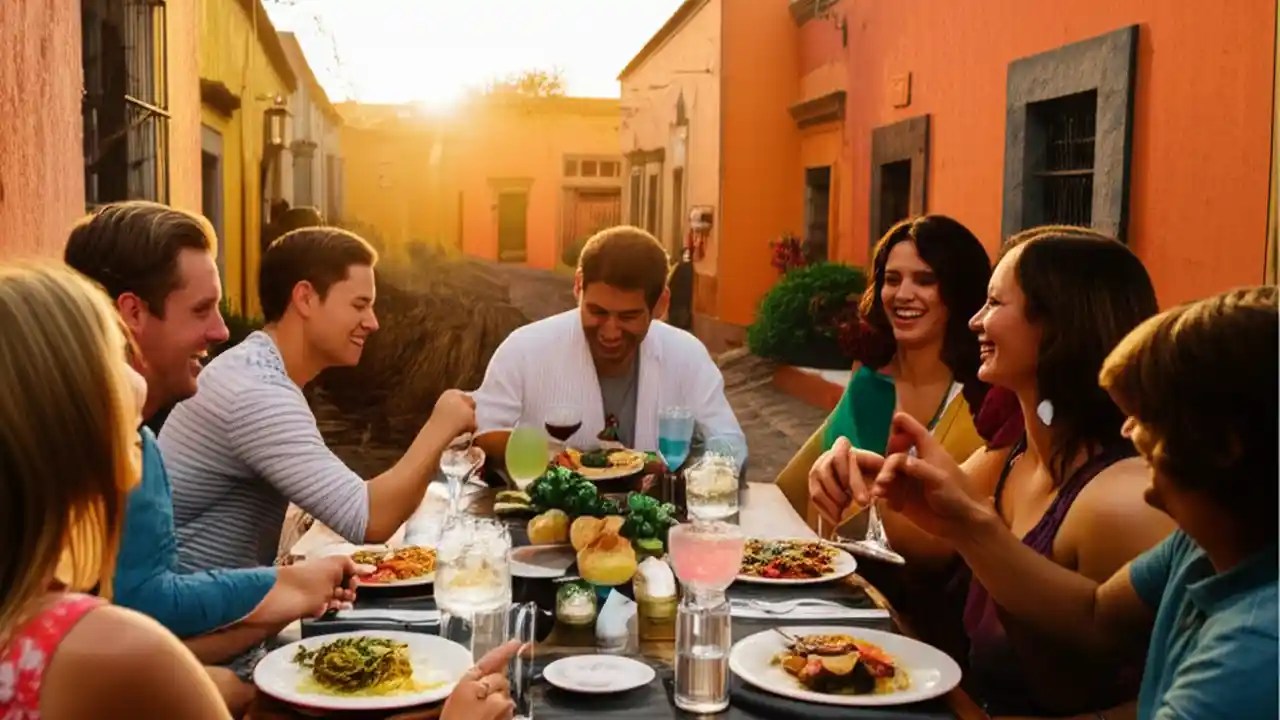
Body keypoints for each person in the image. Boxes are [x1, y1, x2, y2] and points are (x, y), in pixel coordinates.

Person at [0, 265, 521, 720]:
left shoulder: (35, 628)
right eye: (112, 355)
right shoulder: (111, 649)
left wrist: (272, 619)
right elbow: (370, 518)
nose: (222, 328)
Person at [809, 227, 1177, 716]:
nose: (975, 321)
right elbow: (930, 537)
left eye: (994, 304)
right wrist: (854, 480)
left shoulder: (1119, 499)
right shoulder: (1014, 456)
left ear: (1056, 325)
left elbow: (1160, 697)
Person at [871, 286, 1278, 720]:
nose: (1128, 433)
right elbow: (1095, 615)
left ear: (1222, 446)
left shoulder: (1250, 651)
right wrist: (965, 527)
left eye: (1149, 418)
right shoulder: (1199, 546)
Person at [65, 203, 360, 678]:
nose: (222, 331)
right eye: (201, 309)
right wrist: (281, 586)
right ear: (132, 313)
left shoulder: (115, 429)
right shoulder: (122, 445)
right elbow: (146, 604)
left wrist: (289, 592)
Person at [159, 226, 476, 572]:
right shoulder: (257, 392)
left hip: (219, 603)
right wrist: (442, 424)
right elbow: (369, 519)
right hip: (191, 619)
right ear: (306, 298)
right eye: (360, 305)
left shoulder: (256, 370)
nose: (372, 323)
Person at [776, 215, 997, 527]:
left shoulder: (983, 394)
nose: (903, 294)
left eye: (925, 280)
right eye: (892, 280)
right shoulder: (870, 383)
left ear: (959, 291)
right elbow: (792, 489)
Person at [473, 225, 745, 465]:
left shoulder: (687, 355)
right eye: (598, 312)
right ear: (579, 286)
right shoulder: (523, 351)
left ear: (661, 304)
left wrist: (686, 468)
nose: (611, 331)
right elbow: (480, 439)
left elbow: (731, 444)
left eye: (628, 317)